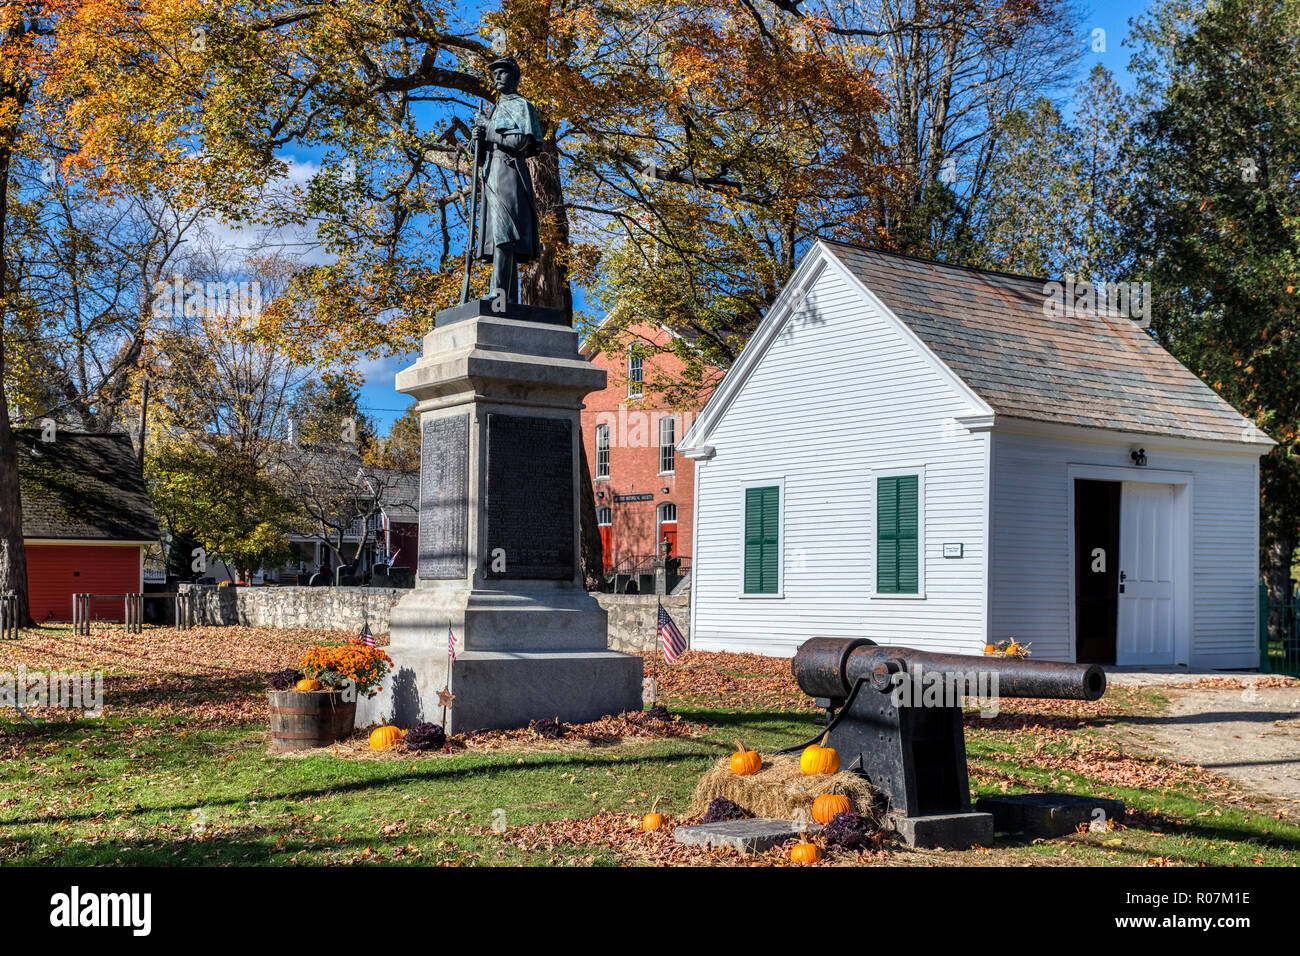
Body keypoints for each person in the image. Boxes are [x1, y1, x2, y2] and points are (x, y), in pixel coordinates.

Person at [471, 55, 543, 304]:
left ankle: (499, 295)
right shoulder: (497, 108)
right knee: (498, 234)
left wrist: (489, 128)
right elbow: (481, 154)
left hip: (509, 174)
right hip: (492, 173)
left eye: (502, 72)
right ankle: (507, 298)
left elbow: (520, 142)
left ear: (514, 76)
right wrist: (477, 138)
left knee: (505, 232)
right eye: (495, 74)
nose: (497, 77)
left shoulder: (522, 106)